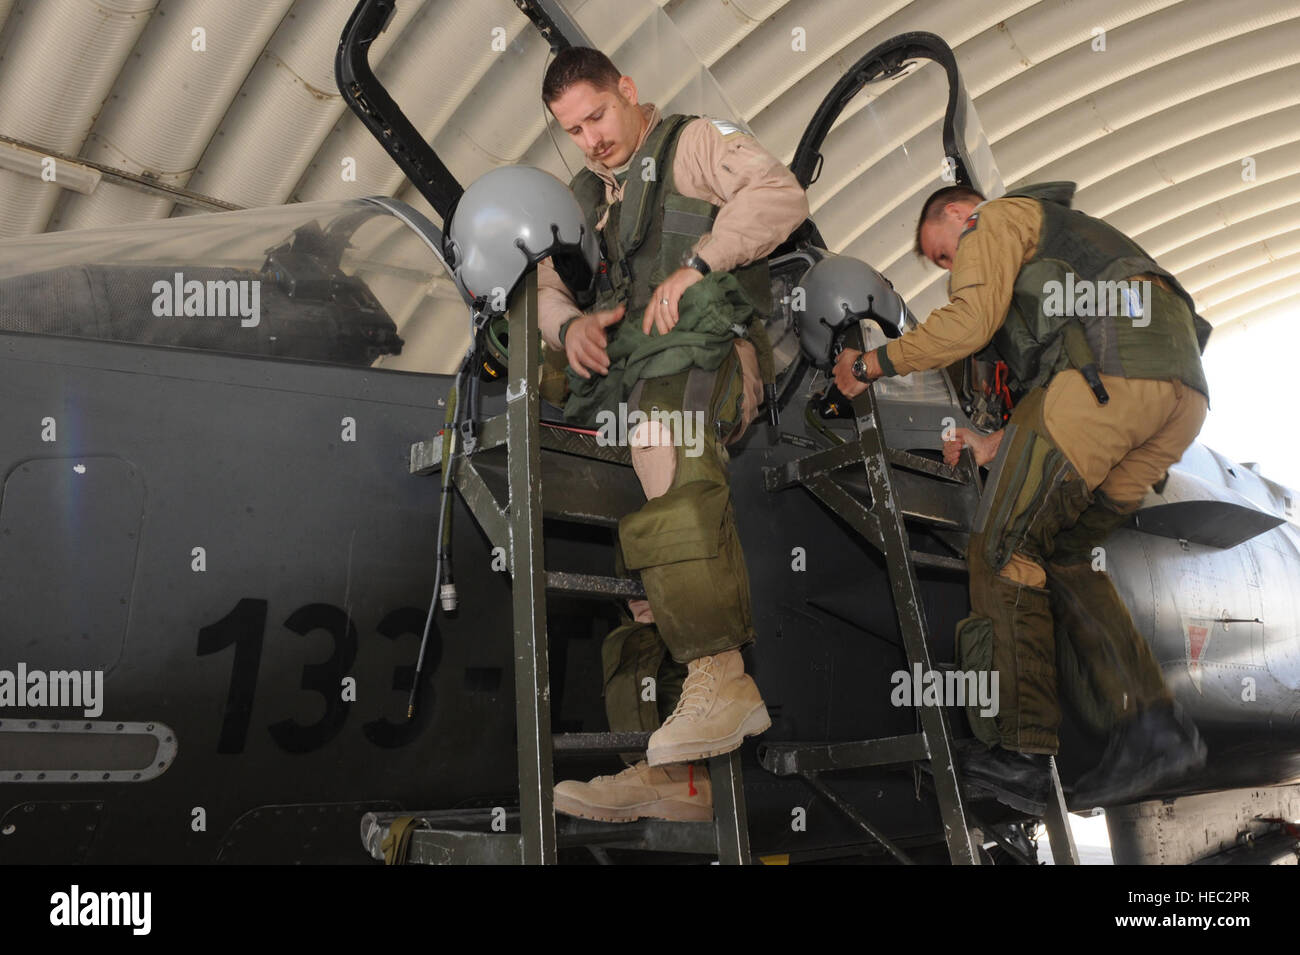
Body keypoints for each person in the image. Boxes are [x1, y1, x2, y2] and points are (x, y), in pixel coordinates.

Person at [833, 182, 1211, 810]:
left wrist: (872, 366)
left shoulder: (994, 218)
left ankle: (1023, 752)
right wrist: (993, 445)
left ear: (959, 214)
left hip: (1107, 383)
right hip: (1176, 397)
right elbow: (1070, 360)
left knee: (1003, 550)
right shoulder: (1067, 241)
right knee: (1064, 557)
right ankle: (1156, 728)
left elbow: (971, 322)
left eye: (945, 255)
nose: (952, 267)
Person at [536, 47, 809, 822]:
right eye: (571, 129)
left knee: (662, 426)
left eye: (597, 115)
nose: (590, 138)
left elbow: (777, 193)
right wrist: (571, 326)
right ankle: (671, 778)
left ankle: (722, 675)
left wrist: (699, 261)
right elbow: (543, 284)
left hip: (709, 356)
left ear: (629, 90)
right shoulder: (587, 194)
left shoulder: (691, 143)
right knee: (633, 567)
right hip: (630, 373)